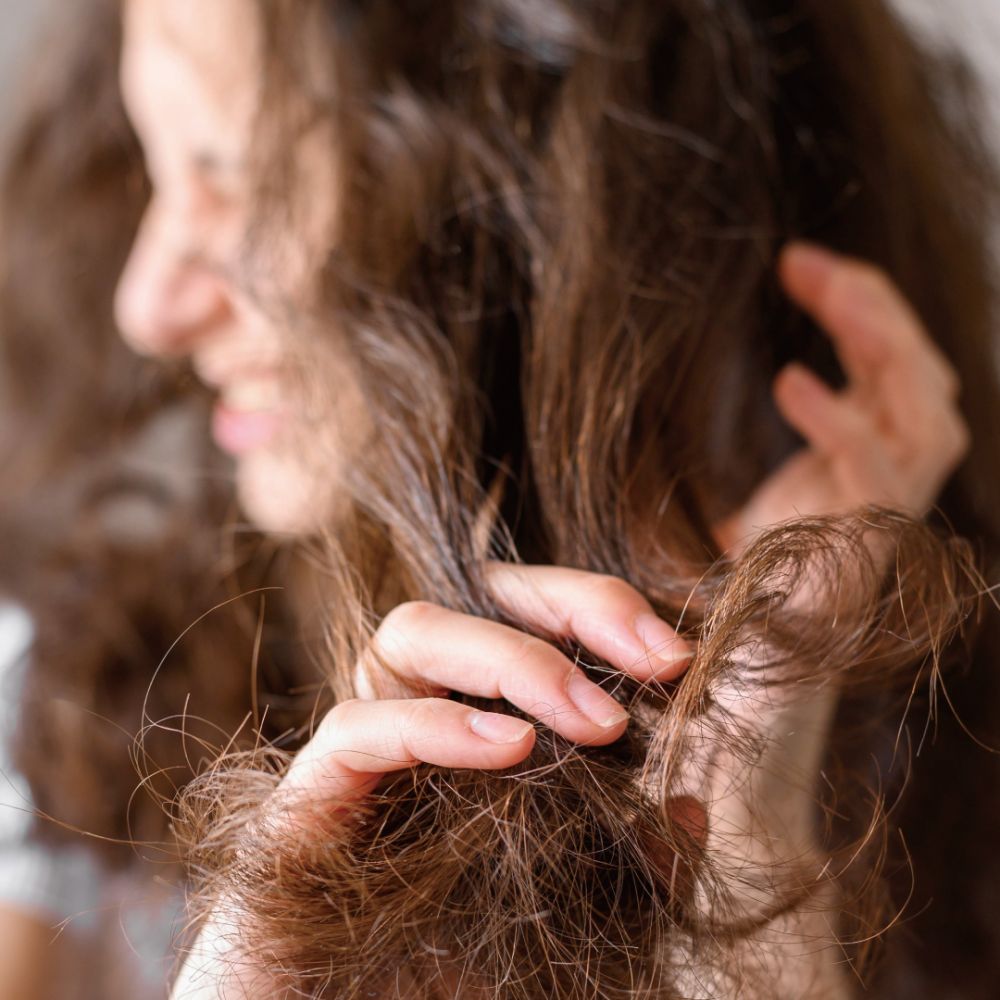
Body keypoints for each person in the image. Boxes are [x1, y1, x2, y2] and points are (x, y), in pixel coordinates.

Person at [0, 0, 998, 997]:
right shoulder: (80, 714)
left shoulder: (951, 767)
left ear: (542, 210)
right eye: (151, 166)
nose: (147, 305)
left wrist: (748, 806)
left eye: (235, 175)